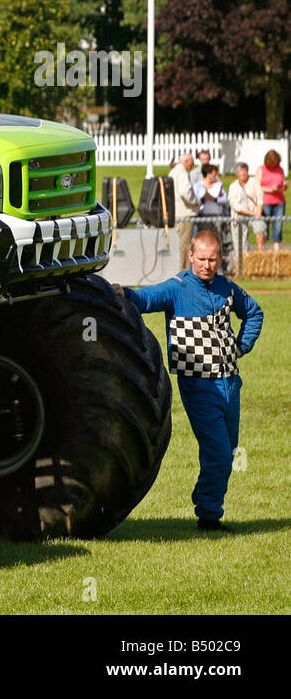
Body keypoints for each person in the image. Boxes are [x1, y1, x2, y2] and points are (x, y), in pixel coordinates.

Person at [115, 230, 262, 531]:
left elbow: (254, 313)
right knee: (220, 454)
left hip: (231, 383)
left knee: (228, 451)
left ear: (220, 259)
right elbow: (145, 299)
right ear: (190, 256)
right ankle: (209, 515)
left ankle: (205, 498)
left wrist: (241, 346)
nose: (207, 265)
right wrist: (124, 294)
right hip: (199, 385)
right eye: (201, 259)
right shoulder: (177, 288)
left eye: (212, 260)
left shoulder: (227, 288)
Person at [168, 153, 199, 270]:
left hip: (176, 213)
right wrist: (195, 201)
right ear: (186, 161)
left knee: (179, 244)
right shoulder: (182, 172)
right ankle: (184, 270)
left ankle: (179, 268)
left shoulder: (173, 171)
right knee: (185, 244)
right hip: (184, 213)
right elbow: (185, 191)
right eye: (191, 162)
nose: (193, 164)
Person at [228, 162, 266, 251]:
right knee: (240, 245)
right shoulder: (233, 186)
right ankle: (242, 261)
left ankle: (261, 253)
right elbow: (234, 205)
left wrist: (258, 211)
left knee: (260, 227)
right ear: (237, 173)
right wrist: (252, 213)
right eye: (241, 171)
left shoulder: (254, 182)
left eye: (245, 171)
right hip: (239, 216)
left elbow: (260, 197)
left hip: (255, 213)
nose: (243, 173)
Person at [261, 150, 286, 249]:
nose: (274, 165)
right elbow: (257, 186)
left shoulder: (280, 169)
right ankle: (264, 249)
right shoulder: (261, 169)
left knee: (278, 226)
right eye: (272, 163)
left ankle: (277, 251)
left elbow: (282, 181)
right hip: (266, 201)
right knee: (265, 226)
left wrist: (284, 185)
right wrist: (270, 190)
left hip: (279, 202)